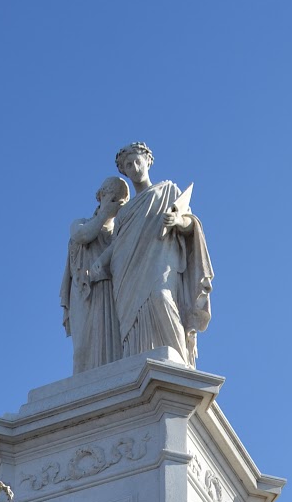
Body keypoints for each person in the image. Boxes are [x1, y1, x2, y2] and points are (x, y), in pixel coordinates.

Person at [89, 141, 213, 367]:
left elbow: (189, 224)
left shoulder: (167, 191)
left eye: (137, 161)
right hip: (127, 270)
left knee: (161, 296)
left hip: (160, 256)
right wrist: (101, 260)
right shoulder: (124, 213)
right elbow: (118, 244)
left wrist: (178, 221)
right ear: (124, 172)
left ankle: (179, 362)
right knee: (132, 320)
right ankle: (135, 364)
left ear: (148, 161)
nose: (134, 168)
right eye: (128, 165)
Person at [60, 176, 130, 373]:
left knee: (112, 346)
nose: (114, 201)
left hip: (110, 291)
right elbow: (83, 236)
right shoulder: (80, 223)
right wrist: (104, 215)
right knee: (81, 349)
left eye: (119, 199)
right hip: (83, 292)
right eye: (110, 195)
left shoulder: (120, 233)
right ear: (100, 196)